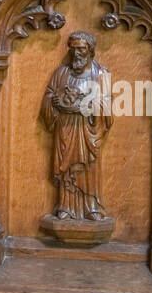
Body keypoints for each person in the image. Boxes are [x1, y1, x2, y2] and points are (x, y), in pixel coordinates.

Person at [41, 31, 113, 221]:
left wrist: (87, 107)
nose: (76, 54)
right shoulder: (61, 73)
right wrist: (54, 102)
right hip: (65, 129)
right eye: (73, 49)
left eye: (81, 48)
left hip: (88, 131)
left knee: (88, 167)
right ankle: (66, 207)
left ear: (90, 50)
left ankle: (91, 207)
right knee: (66, 168)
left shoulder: (101, 74)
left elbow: (107, 104)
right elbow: (49, 96)